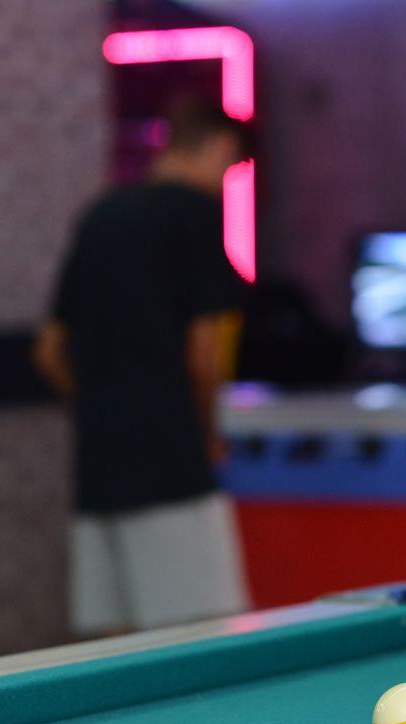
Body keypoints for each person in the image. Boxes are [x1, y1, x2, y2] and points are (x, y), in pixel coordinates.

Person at [33, 99, 252, 636]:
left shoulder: (99, 215)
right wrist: (208, 434)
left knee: (115, 641)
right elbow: (203, 352)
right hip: (171, 462)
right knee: (204, 635)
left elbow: (48, 351)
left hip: (98, 464)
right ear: (219, 146)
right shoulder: (196, 213)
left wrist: (97, 407)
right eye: (229, 166)